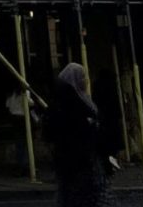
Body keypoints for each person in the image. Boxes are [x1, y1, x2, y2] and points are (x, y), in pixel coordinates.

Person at [44, 62, 114, 207]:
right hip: (77, 157)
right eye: (81, 77)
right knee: (80, 194)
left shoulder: (81, 98)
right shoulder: (69, 102)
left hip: (84, 157)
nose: (85, 80)